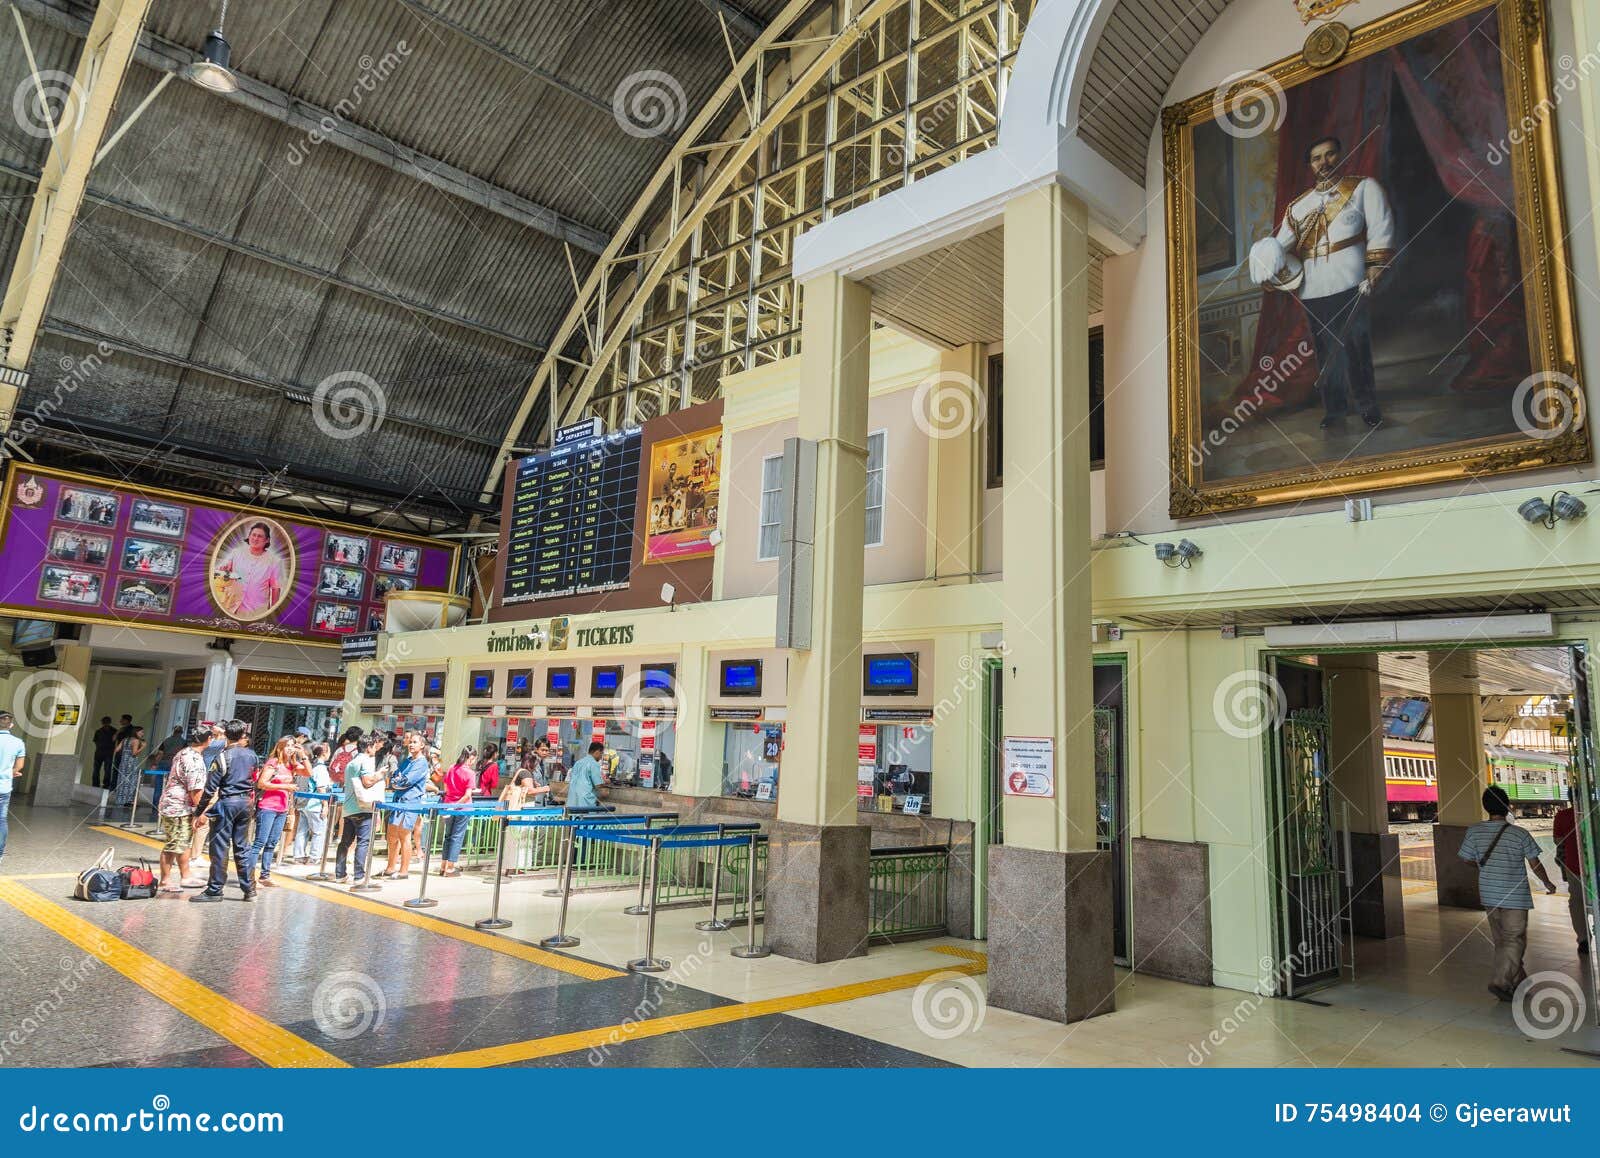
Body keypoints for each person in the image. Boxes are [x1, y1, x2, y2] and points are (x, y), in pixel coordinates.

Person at [1249, 134, 1395, 429]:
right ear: (1310, 165)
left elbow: (1381, 226)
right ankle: (1335, 410)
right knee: (1326, 349)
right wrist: (1267, 266)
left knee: (1356, 345)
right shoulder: (1298, 207)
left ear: (1339, 155)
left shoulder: (1363, 188)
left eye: (1329, 155)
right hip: (1313, 285)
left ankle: (1368, 406)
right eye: (1316, 158)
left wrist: (1375, 266)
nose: (1323, 162)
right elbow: (1280, 246)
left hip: (1351, 278)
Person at [1458, 786, 1559, 1001]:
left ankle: (1520, 985)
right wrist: (1547, 882)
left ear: (1486, 807)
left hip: (1489, 895)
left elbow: (1466, 858)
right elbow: (1535, 864)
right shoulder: (1519, 834)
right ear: (1508, 807)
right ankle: (1500, 982)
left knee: (1503, 942)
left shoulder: (1474, 831)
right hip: (1515, 897)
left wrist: (1484, 867)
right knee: (1514, 940)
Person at [191, 720, 260, 902]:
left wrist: (199, 812)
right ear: (243, 735)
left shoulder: (222, 757)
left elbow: (210, 788)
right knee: (243, 847)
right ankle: (250, 890)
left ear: (226, 736)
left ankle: (215, 890)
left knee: (220, 847)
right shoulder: (253, 756)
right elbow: (256, 781)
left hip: (227, 803)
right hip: (246, 803)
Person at [157, 727, 210, 892]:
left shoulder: (184, 752)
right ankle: (165, 880)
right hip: (178, 807)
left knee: (183, 842)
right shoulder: (194, 760)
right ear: (207, 740)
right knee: (173, 844)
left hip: (174, 803)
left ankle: (185, 876)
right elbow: (195, 789)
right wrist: (200, 812)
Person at [335, 734, 385, 883]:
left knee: (345, 842)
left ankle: (340, 874)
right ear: (369, 747)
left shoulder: (352, 763)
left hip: (349, 807)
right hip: (363, 807)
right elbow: (367, 781)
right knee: (363, 842)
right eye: (374, 747)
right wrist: (379, 774)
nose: (375, 750)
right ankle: (359, 876)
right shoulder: (366, 761)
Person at [248, 737, 297, 888]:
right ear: (280, 747)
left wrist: (303, 755)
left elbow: (308, 772)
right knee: (259, 842)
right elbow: (262, 783)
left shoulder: (291, 765)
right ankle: (248, 877)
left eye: (292, 746)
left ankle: (265, 875)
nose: (290, 748)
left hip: (282, 809)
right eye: (287, 746)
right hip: (268, 807)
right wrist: (284, 787)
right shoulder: (273, 763)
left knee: (272, 843)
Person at [381, 732, 430, 879]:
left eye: (415, 742)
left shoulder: (422, 763)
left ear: (422, 745)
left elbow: (406, 781)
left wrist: (397, 782)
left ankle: (403, 871)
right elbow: (395, 776)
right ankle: (390, 868)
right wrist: (396, 782)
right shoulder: (407, 761)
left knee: (404, 835)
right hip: (397, 800)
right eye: (410, 742)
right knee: (391, 834)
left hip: (410, 802)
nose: (411, 744)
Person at [214, 521, 288, 618]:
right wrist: (224, 570)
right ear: (249, 536)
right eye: (253, 535)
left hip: (257, 612)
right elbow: (221, 571)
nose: (255, 538)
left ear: (267, 540)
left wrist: (272, 613)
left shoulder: (275, 561)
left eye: (260, 536)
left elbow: (275, 589)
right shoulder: (236, 553)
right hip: (231, 607)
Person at [1552, 802, 1591, 955]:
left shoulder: (1563, 815)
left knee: (1576, 901)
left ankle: (1583, 939)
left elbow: (1558, 840)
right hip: (1593, 866)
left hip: (1574, 865)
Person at [438, 746, 477, 877]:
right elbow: (467, 795)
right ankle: (450, 868)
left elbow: (446, 787)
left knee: (448, 836)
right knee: (457, 837)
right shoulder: (470, 773)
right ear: (471, 758)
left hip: (447, 805)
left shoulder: (451, 768)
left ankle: (443, 866)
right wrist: (457, 804)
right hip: (462, 808)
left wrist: (451, 803)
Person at [293, 743, 334, 865]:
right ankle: (314, 857)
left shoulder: (312, 765)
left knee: (302, 830)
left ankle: (298, 855)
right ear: (324, 753)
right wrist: (325, 806)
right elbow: (321, 789)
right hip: (316, 804)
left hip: (305, 803)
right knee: (319, 831)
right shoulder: (321, 769)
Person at [0, 712, 25, 870]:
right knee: (1, 820)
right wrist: (12, 772)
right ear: (11, 725)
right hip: (4, 787)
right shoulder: (18, 742)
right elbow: (19, 766)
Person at [566, 741, 608, 811]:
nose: (601, 757)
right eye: (601, 753)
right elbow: (598, 785)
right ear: (597, 752)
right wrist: (606, 783)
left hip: (572, 801)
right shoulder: (594, 764)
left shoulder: (578, 762)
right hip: (585, 803)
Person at [113, 725, 146, 811]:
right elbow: (134, 753)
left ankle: (120, 799)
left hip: (123, 763)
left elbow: (116, 750)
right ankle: (129, 800)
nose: (143, 734)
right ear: (136, 732)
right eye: (141, 732)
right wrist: (142, 747)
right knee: (131, 782)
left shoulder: (125, 740)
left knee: (122, 781)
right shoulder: (136, 741)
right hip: (131, 764)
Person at [91, 716, 116, 789]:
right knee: (96, 769)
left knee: (107, 769)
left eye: (106, 722)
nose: (105, 723)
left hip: (108, 753)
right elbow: (95, 741)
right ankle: (95, 784)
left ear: (109, 722)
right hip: (99, 753)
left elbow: (116, 741)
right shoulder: (98, 731)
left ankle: (106, 785)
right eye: (104, 722)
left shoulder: (114, 731)